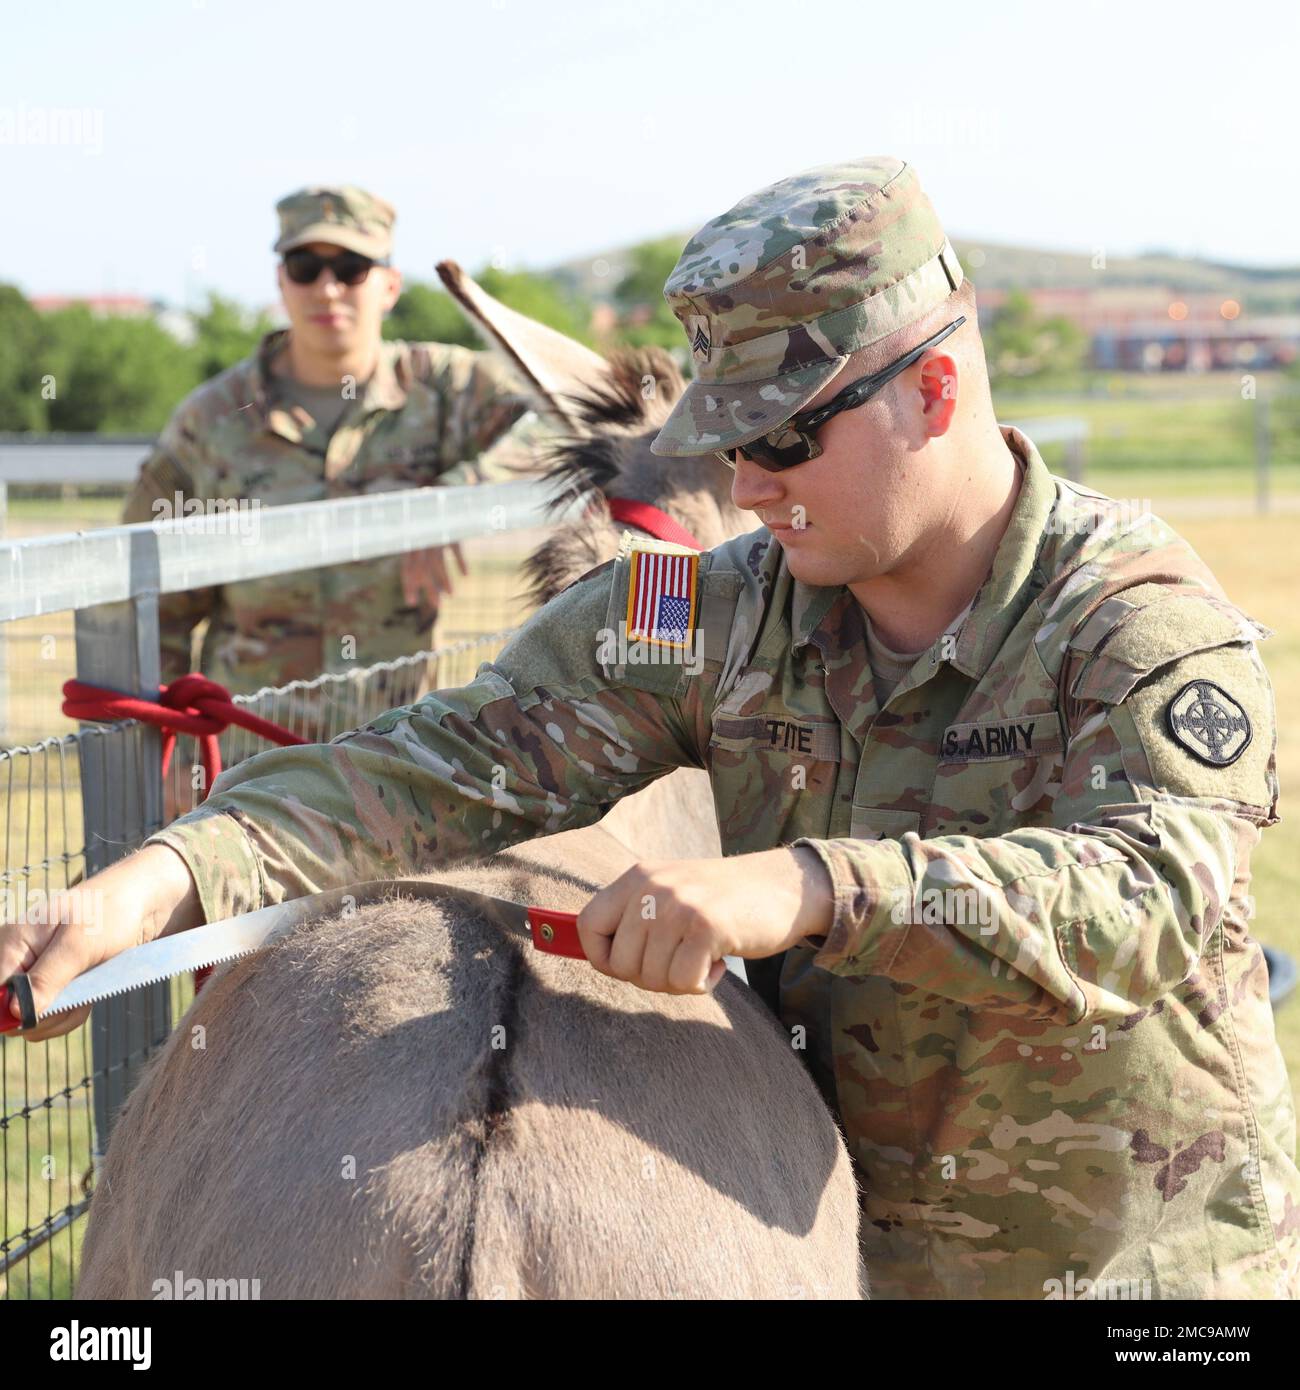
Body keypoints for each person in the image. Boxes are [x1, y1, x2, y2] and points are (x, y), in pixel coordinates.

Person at [8, 157, 1297, 1300]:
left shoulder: (1134, 615)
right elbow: (451, 758)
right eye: (724, 442)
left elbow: (1153, 895)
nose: (745, 488)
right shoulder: (714, 607)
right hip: (843, 1249)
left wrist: (803, 886)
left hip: (1136, 1267)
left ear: (936, 390)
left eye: (785, 436)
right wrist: (158, 883)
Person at [121, 184, 536, 743]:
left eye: (351, 267)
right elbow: (147, 601)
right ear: (279, 282)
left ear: (390, 285)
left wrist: (454, 499)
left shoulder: (440, 390)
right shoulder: (214, 419)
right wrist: (166, 749)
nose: (327, 288)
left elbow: (567, 417)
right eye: (304, 266)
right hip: (248, 761)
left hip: (393, 756)